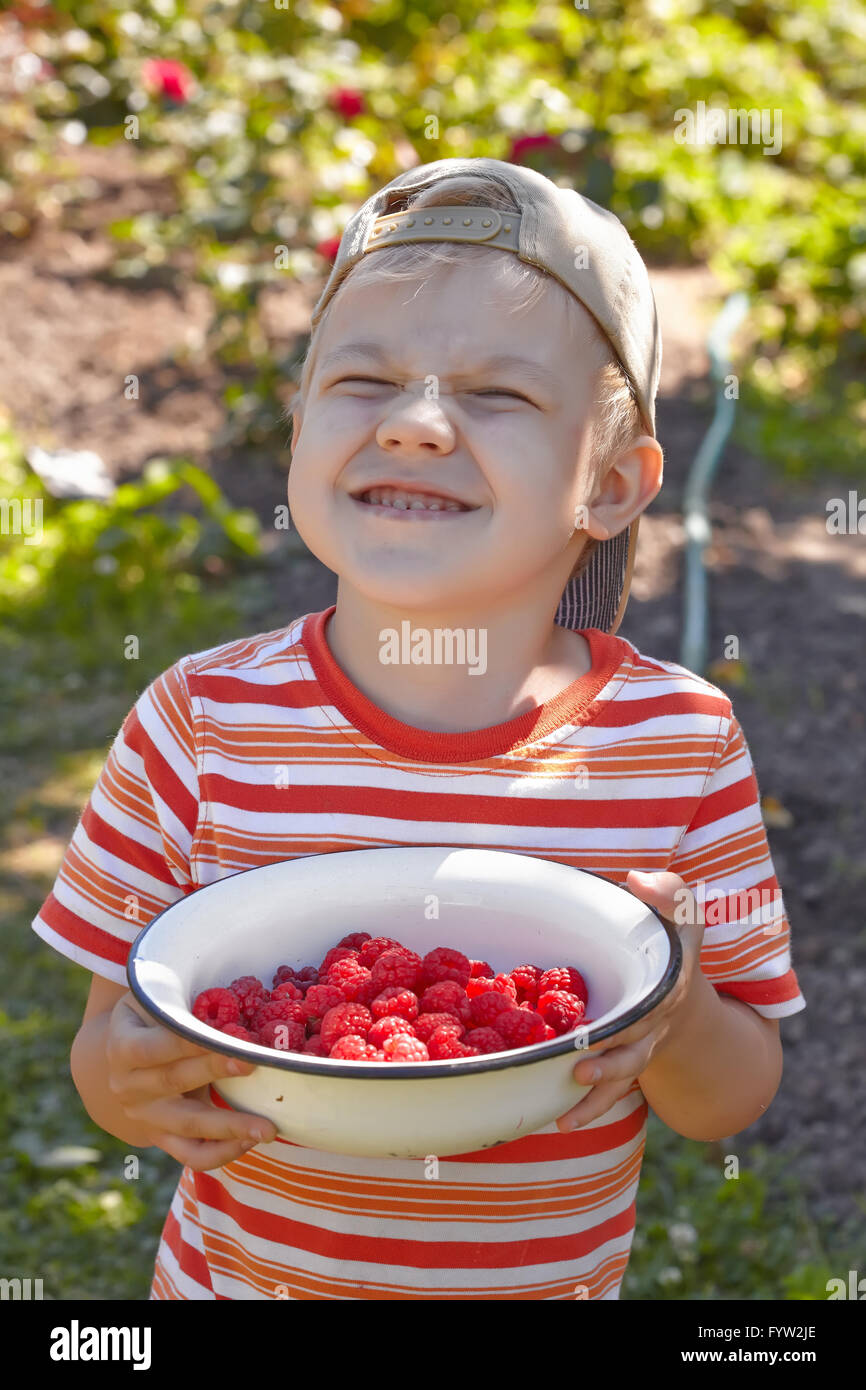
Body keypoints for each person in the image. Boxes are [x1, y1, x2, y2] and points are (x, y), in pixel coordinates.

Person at [32, 157, 805, 1300]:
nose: (416, 424)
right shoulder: (199, 723)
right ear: (298, 429)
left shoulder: (676, 742)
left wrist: (676, 1010)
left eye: (495, 395)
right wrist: (135, 1085)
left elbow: (729, 1094)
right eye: (363, 379)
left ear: (612, 485)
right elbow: (106, 1060)